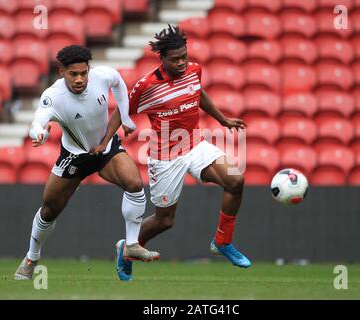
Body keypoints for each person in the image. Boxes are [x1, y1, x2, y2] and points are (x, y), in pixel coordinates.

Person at [115, 25, 251, 282]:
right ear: (162, 59)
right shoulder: (147, 85)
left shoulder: (194, 70)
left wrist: (222, 120)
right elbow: (122, 110)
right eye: (175, 59)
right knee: (165, 221)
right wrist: (108, 136)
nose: (181, 63)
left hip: (195, 144)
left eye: (184, 57)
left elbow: (198, 93)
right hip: (165, 157)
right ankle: (128, 247)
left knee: (236, 180)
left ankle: (222, 242)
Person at [14, 45, 159, 281]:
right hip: (74, 157)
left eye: (84, 73)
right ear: (62, 71)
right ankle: (31, 257)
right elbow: (37, 122)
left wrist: (125, 116)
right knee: (49, 209)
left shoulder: (103, 76)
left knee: (134, 184)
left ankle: (131, 244)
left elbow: (119, 82)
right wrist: (38, 133)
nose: (80, 79)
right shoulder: (53, 96)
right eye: (74, 74)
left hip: (104, 148)